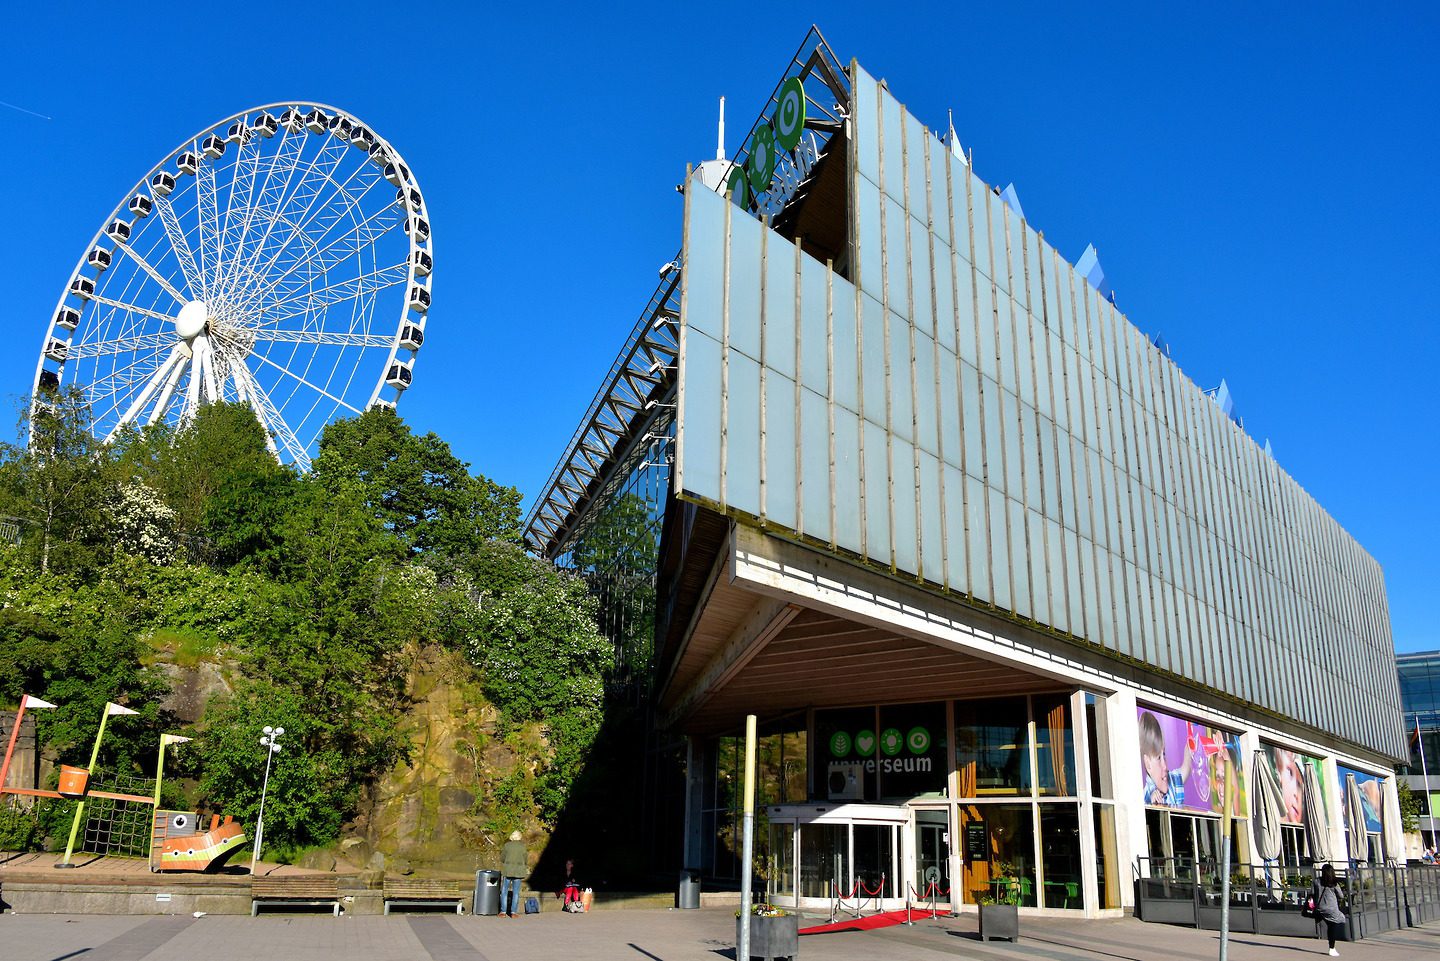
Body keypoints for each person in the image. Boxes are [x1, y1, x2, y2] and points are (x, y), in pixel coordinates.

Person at [1140, 712, 1196, 807]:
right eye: (1158, 758)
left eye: (1164, 755)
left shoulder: (1171, 780)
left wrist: (1189, 747)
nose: (1165, 766)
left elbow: (1186, 767)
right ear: (1148, 763)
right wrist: (1150, 804)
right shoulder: (1145, 796)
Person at [1310, 863, 1347, 956]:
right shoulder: (1334, 883)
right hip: (1332, 909)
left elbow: (1312, 894)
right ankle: (1332, 948)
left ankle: (1319, 920)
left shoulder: (1316, 881)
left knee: (1329, 923)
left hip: (1320, 908)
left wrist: (1312, 906)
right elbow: (1341, 896)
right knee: (1334, 925)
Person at [501, 829, 528, 918]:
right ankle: (513, 912)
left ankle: (503, 912)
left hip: (508, 870)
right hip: (519, 871)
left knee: (504, 891)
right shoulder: (523, 847)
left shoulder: (507, 845)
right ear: (519, 837)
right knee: (516, 892)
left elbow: (502, 858)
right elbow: (525, 859)